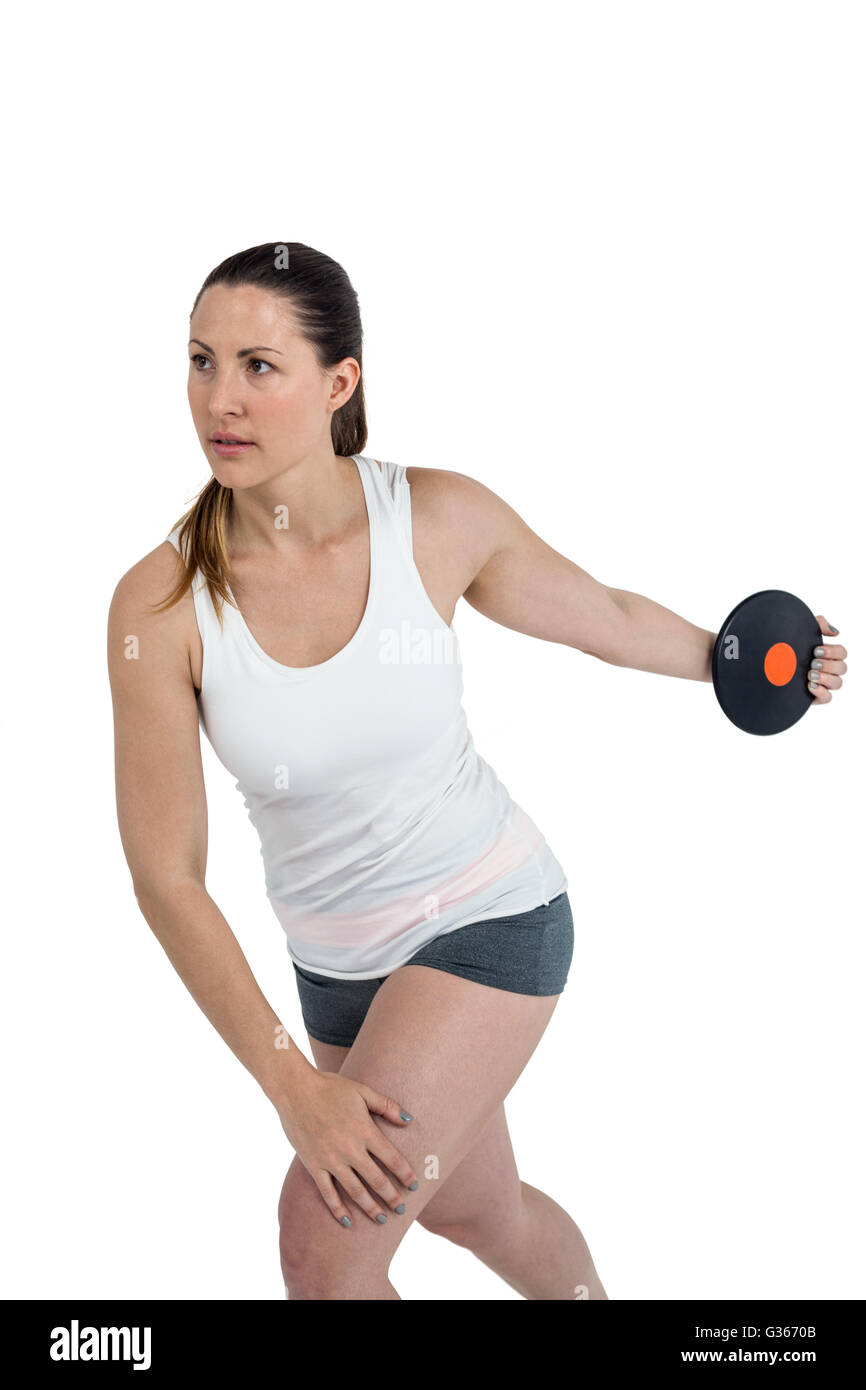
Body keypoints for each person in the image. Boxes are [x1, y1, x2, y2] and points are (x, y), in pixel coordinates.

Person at [107, 242, 847, 1301]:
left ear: (339, 383)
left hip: (487, 913)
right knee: (477, 1210)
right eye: (200, 360)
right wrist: (288, 1083)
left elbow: (603, 616)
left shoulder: (436, 520)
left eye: (259, 366)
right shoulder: (160, 605)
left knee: (325, 1241)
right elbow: (166, 875)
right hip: (337, 965)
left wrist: (747, 663)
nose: (219, 398)